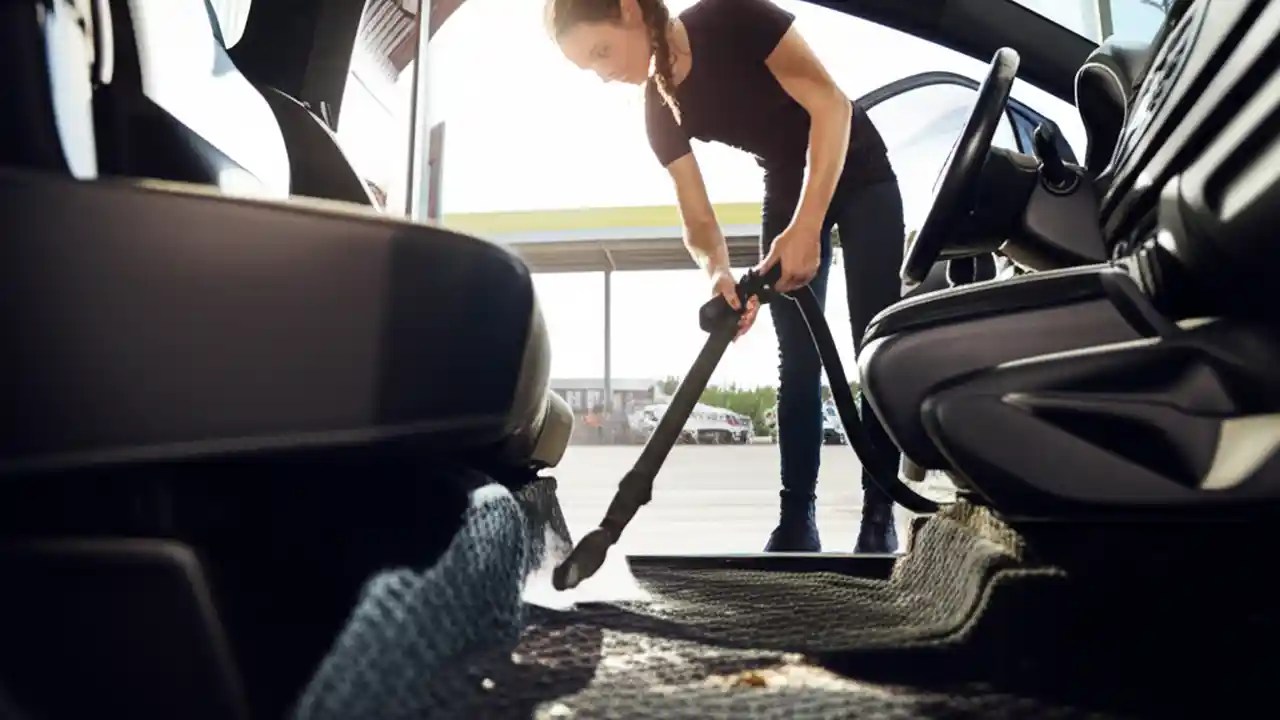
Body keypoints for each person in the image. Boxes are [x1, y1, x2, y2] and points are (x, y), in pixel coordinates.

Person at [547, 0, 902, 552]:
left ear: (628, 10)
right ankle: (796, 523)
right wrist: (717, 273)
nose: (604, 72)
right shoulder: (658, 109)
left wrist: (807, 227)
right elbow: (699, 218)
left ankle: (878, 518)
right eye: (588, 67)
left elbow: (831, 106)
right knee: (798, 359)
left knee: (873, 346)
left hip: (857, 167)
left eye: (601, 51)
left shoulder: (735, 18)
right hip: (785, 181)